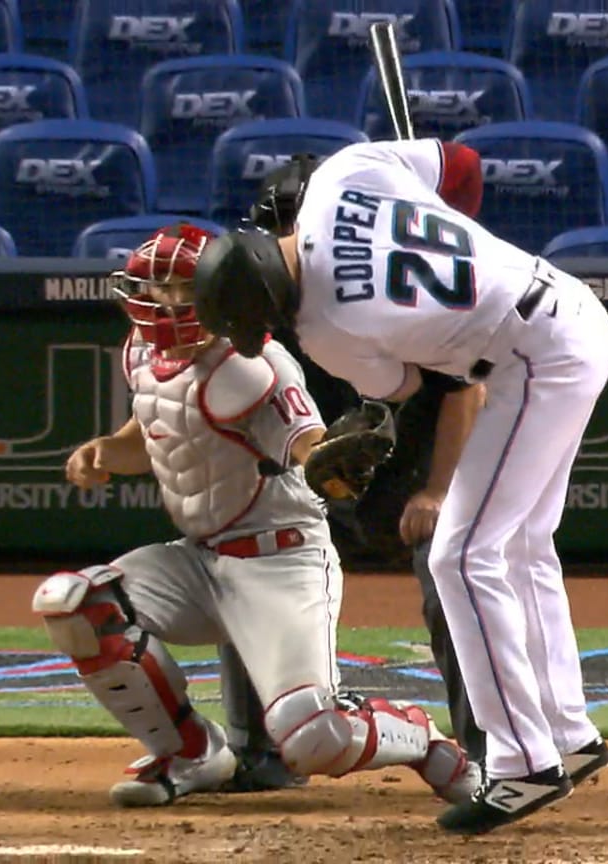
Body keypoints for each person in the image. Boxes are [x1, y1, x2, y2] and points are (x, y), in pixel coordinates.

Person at [187, 139, 608, 834]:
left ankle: (523, 765)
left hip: (534, 358)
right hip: (566, 312)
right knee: (523, 546)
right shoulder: (341, 173)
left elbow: (405, 385)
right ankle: (567, 733)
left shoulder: (324, 329)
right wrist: (450, 225)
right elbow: (465, 167)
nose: (270, 330)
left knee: (462, 556)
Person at [31, 222, 480, 808]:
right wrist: (105, 452)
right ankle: (192, 753)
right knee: (75, 604)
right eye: (155, 288)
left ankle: (423, 741)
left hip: (280, 561)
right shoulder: (142, 352)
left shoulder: (252, 364)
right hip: (200, 561)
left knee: (311, 738)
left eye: (178, 290)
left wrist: (331, 456)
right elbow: (152, 432)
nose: (162, 302)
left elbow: (305, 442)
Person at [223, 156, 489, 772]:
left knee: (452, 574)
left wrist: (439, 491)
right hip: (313, 479)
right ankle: (256, 749)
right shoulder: (260, 301)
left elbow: (466, 388)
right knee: (247, 557)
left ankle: (490, 750)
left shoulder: (398, 282)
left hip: (413, 476)